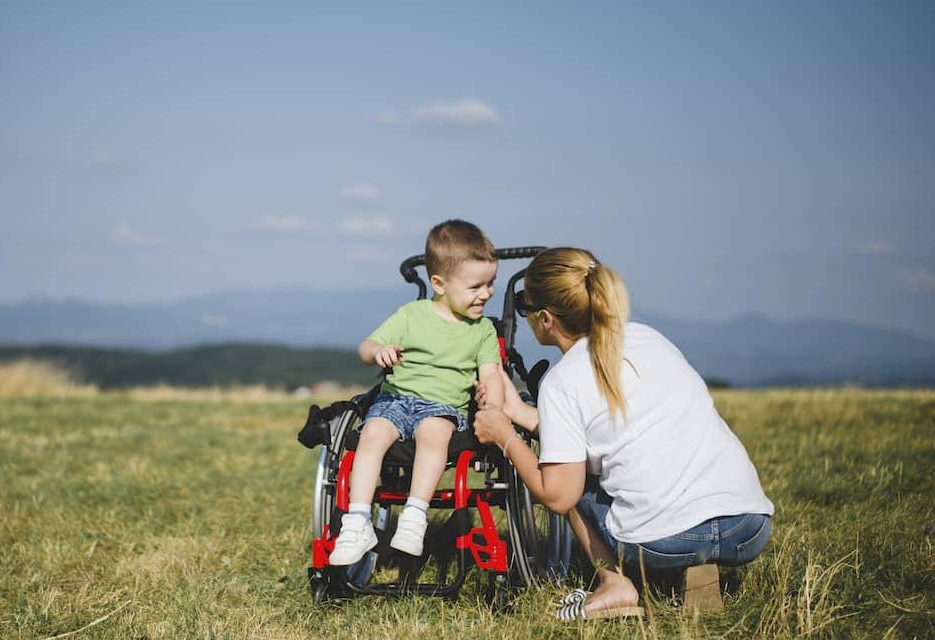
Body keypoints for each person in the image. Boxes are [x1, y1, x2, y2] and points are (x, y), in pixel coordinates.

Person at [472, 247, 773, 621]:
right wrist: (516, 412)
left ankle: (615, 584)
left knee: (570, 479)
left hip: (665, 542)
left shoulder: (562, 382)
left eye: (525, 307)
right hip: (748, 526)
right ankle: (700, 568)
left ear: (545, 319)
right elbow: (614, 429)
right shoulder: (648, 337)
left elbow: (558, 495)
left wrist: (505, 436)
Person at [328, 220, 505, 566]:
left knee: (434, 432)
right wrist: (377, 352)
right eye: (475, 287)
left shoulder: (482, 330)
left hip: (442, 407)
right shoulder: (411, 315)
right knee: (372, 433)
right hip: (395, 399)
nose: (485, 293)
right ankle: (358, 520)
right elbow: (366, 347)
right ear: (438, 284)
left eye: (491, 283)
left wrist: (492, 403)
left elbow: (491, 373)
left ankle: (414, 515)